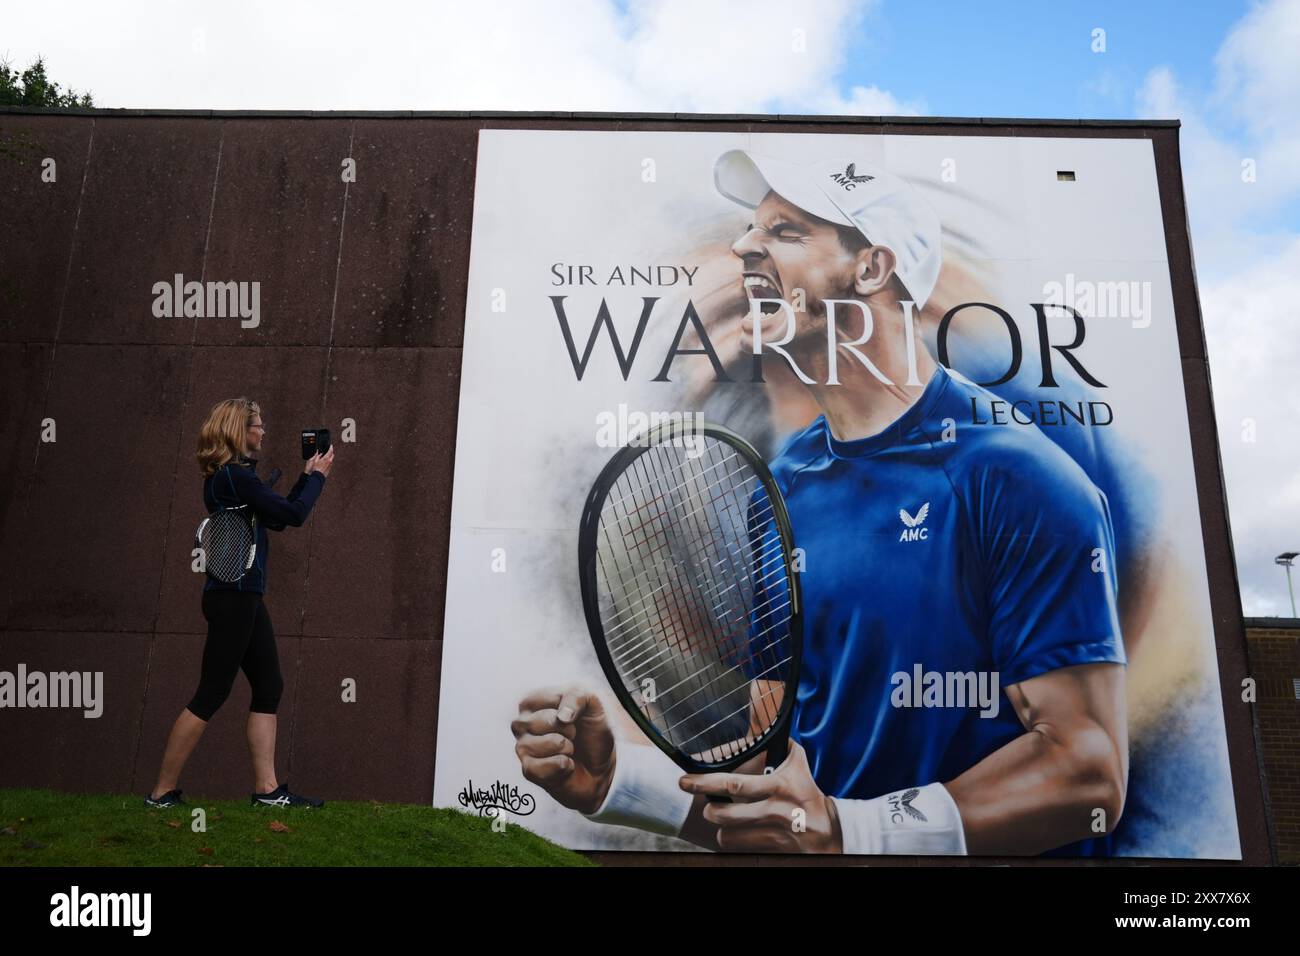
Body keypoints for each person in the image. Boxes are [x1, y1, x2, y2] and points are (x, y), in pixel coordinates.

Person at [513, 151, 1128, 856]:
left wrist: (845, 833)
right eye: (750, 229)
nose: (744, 248)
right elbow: (774, 768)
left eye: (785, 231)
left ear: (870, 270)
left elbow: (1086, 772)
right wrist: (620, 783)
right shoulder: (784, 481)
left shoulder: (1016, 475)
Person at [145, 397, 334, 809]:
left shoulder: (232, 480)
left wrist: (305, 477)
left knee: (269, 685)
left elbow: (280, 517)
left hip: (242, 596)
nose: (263, 432)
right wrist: (318, 476)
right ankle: (161, 794)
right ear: (237, 430)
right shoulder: (235, 478)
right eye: (258, 426)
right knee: (211, 692)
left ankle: (267, 791)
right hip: (234, 598)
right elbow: (296, 515)